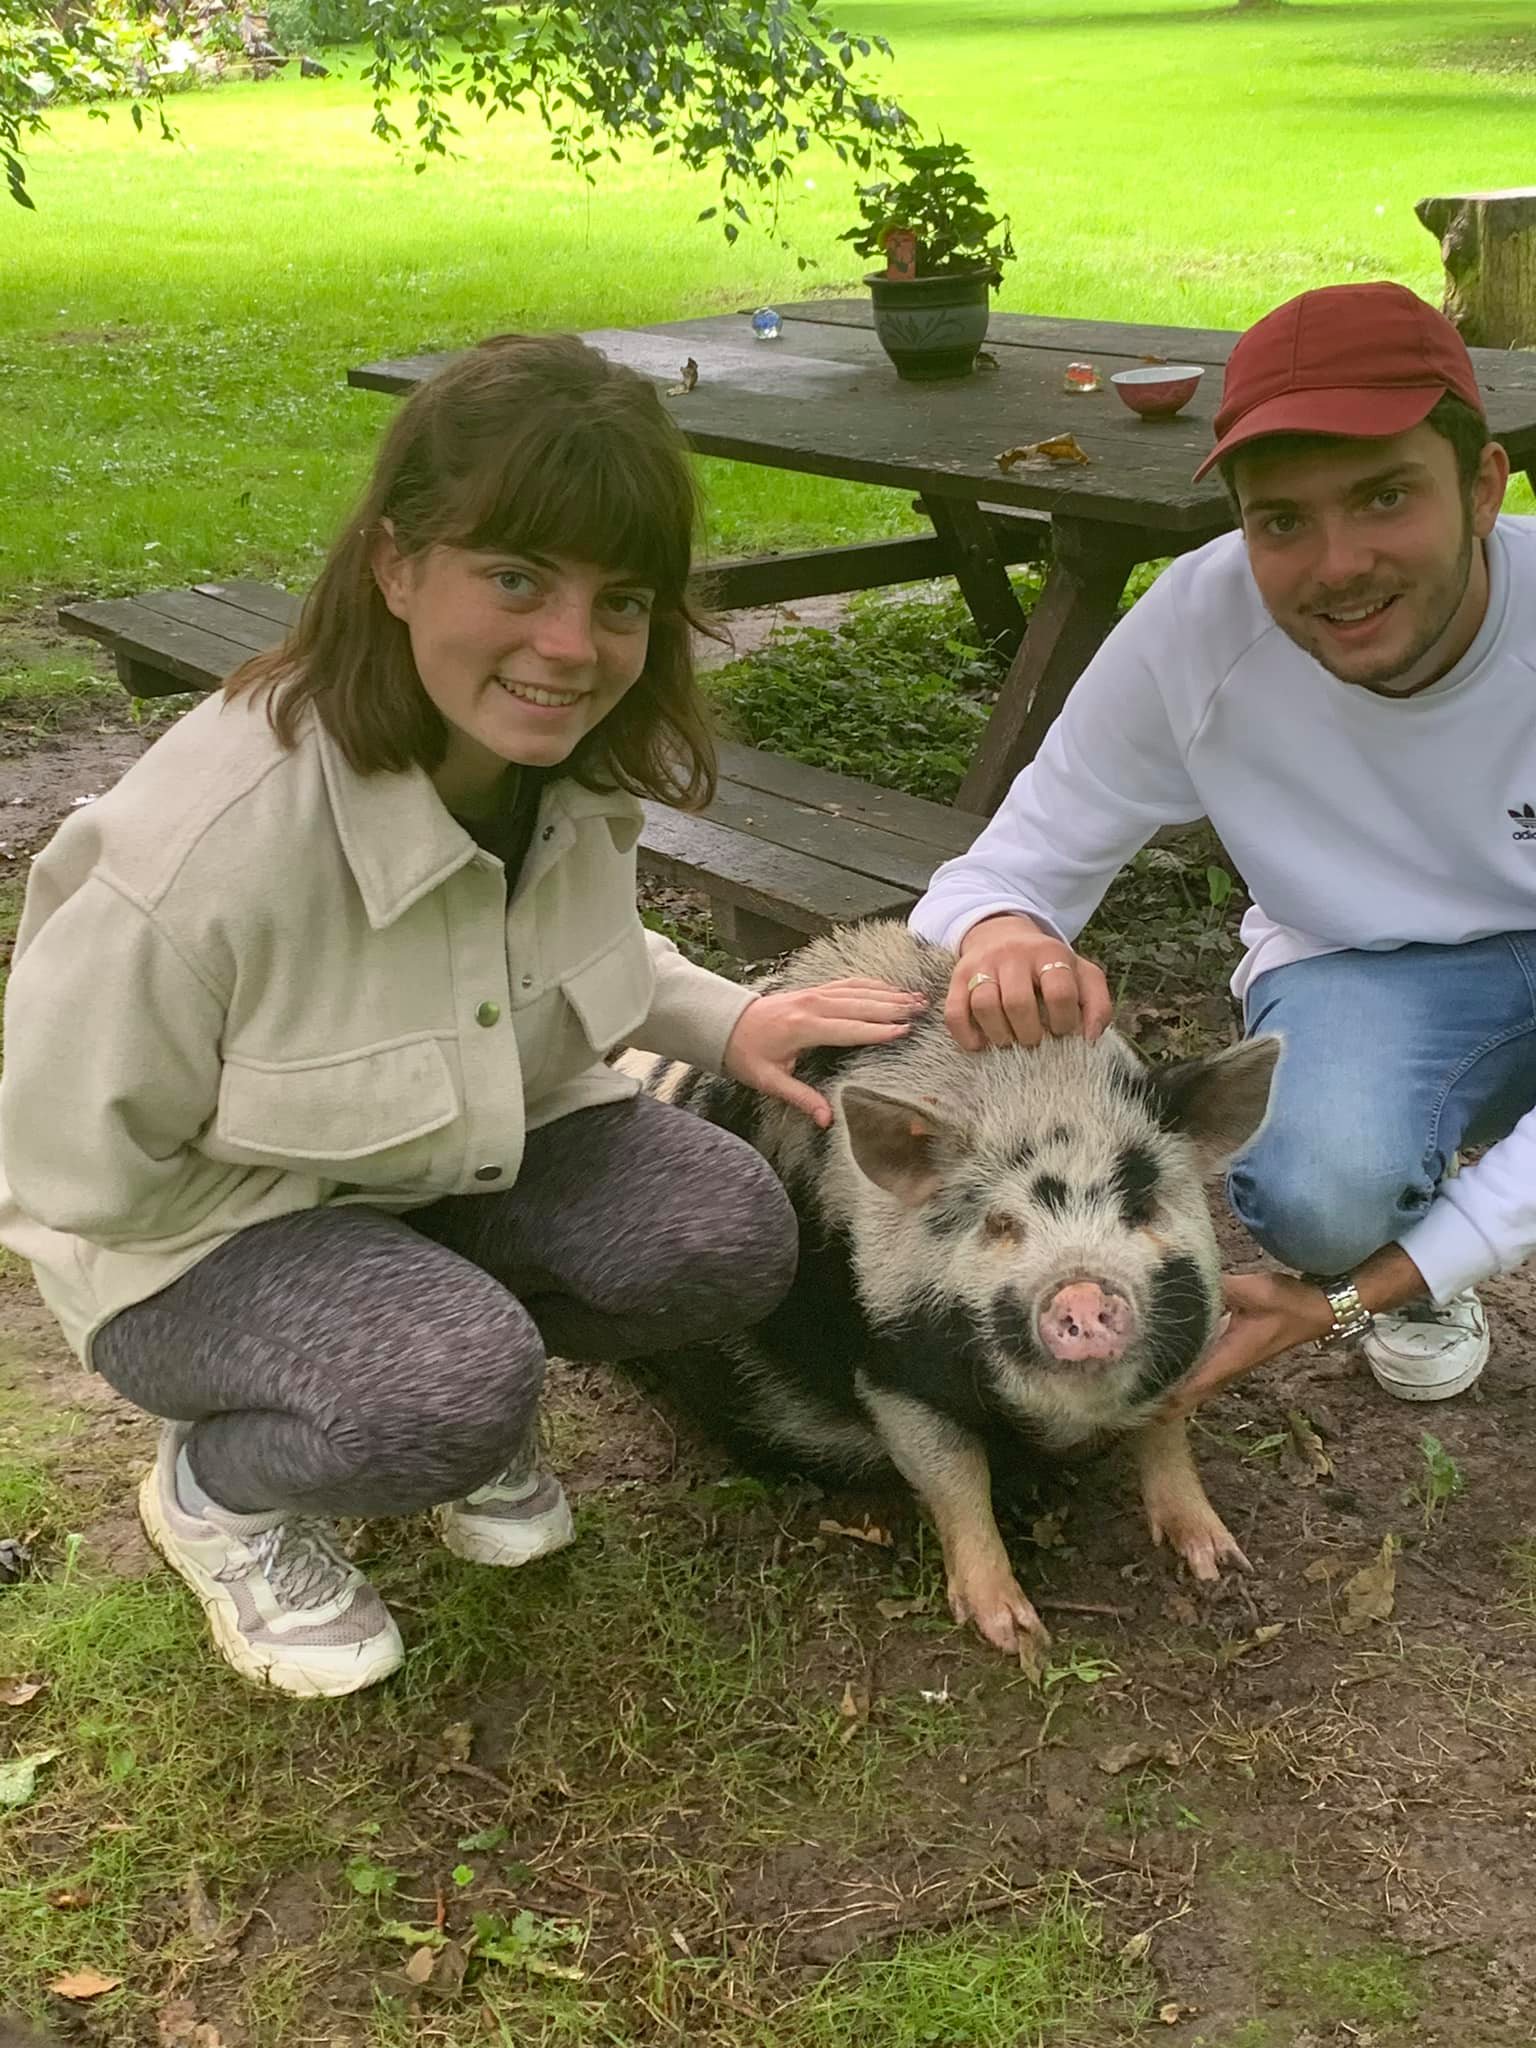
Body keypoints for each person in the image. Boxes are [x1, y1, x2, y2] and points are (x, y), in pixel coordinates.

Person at [0, 333, 925, 1698]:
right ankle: (222, 1487)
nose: (572, 646)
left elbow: (544, 956)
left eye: (620, 600)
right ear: (395, 564)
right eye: (516, 578)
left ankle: (440, 1367)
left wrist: (732, 1021)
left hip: (441, 1163)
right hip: (193, 1240)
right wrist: (336, 1280)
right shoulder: (205, 854)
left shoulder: (557, 764)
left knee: (725, 1234)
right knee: (446, 1378)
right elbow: (65, 1165)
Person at [911, 280, 1536, 1414]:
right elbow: (999, 871)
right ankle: (1400, 1218)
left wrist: (1364, 1297)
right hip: (1370, 965)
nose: (1338, 565)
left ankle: (1421, 1264)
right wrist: (1004, 934)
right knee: (1320, 1190)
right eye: (1282, 521)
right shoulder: (1198, 628)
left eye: (1386, 496)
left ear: (1484, 486)